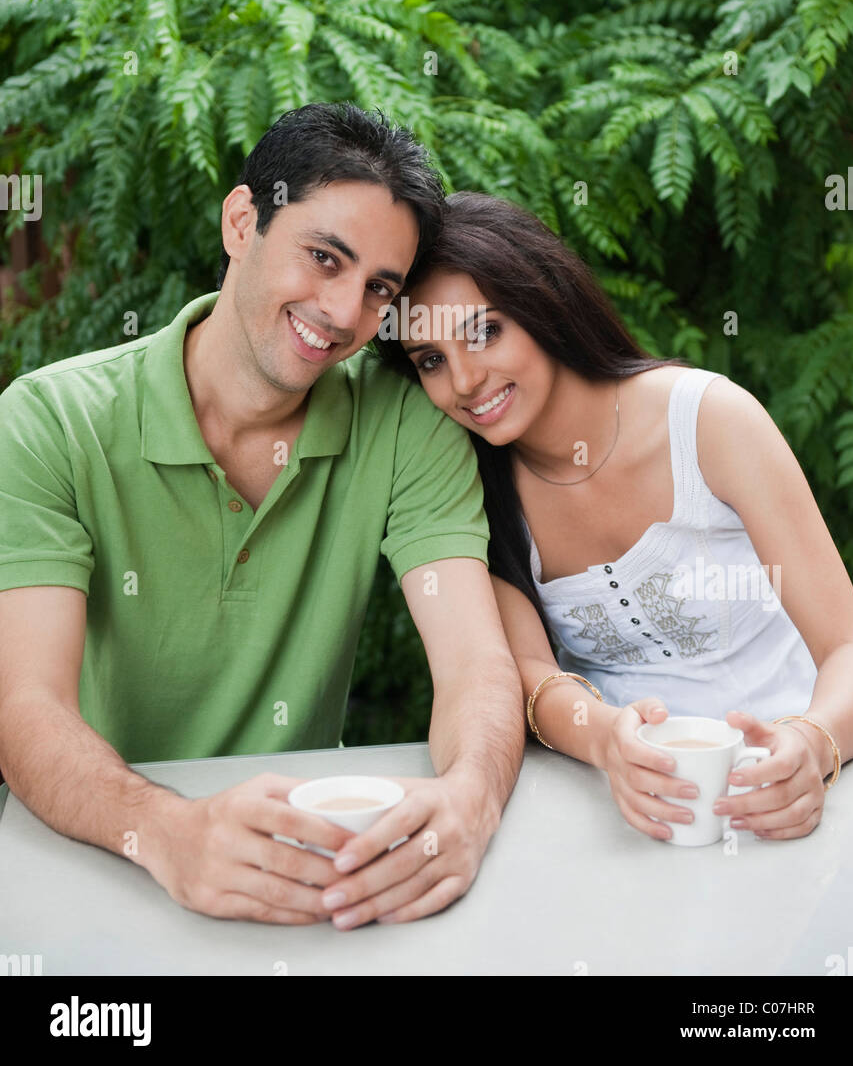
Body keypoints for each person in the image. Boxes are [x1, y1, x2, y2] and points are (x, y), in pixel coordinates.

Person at [0, 106, 524, 930]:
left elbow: (476, 667)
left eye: (379, 289)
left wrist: (470, 801)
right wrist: (167, 831)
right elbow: (26, 710)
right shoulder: (49, 422)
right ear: (242, 221)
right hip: (99, 858)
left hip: (321, 872)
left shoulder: (406, 423)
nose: (345, 313)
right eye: (323, 258)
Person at [379, 191, 853, 842]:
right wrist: (603, 735)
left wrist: (813, 743)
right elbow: (526, 672)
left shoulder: (707, 422)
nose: (463, 380)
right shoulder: (471, 483)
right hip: (629, 810)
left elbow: (849, 646)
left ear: (543, 304)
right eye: (430, 361)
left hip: (809, 795)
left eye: (484, 331)